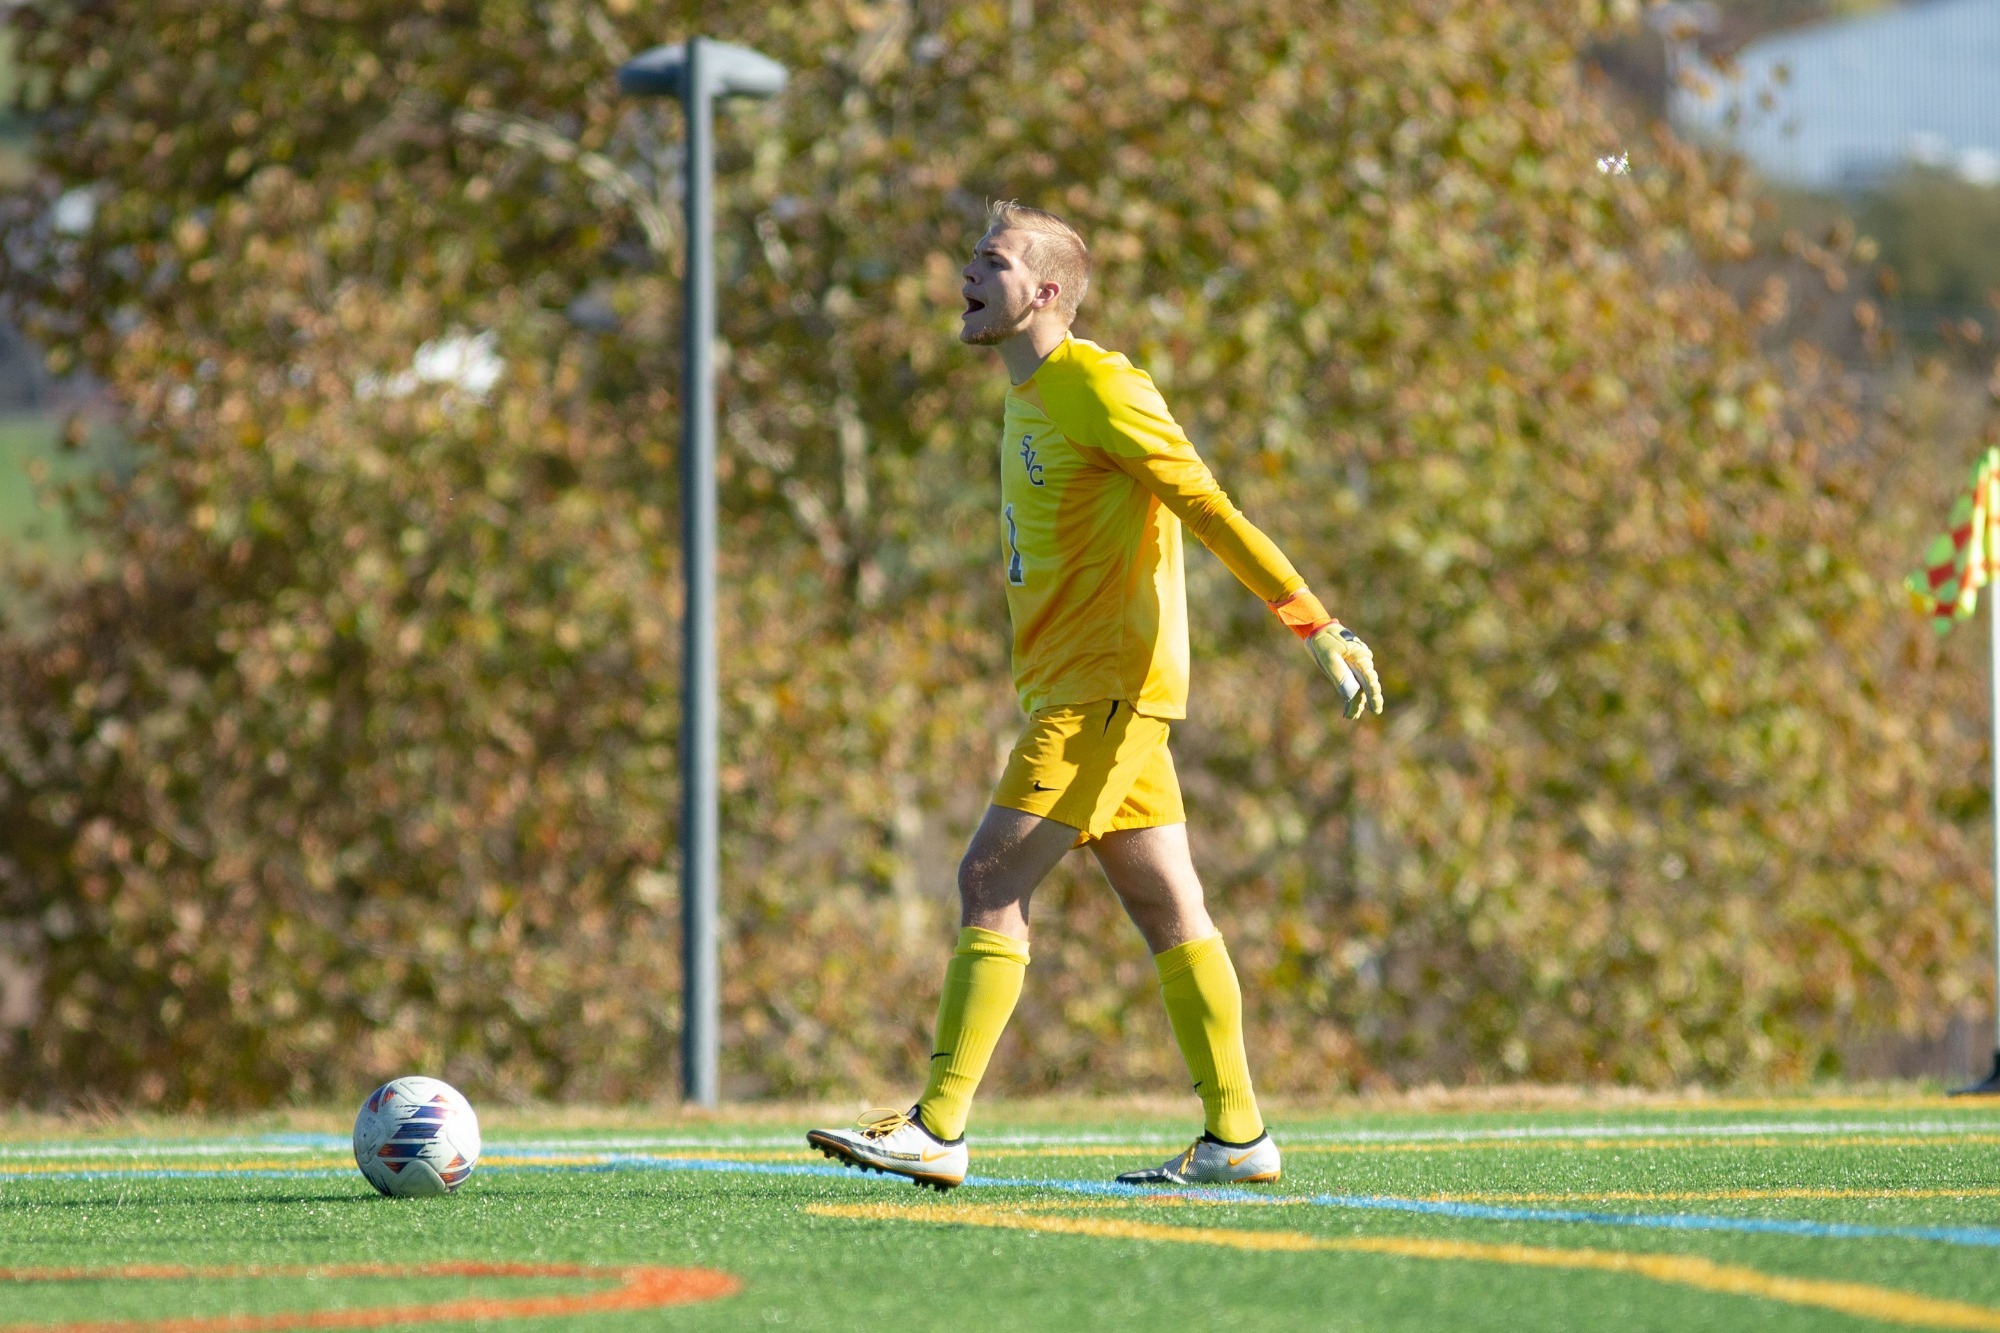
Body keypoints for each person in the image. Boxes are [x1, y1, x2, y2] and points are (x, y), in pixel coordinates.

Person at [807, 201, 1383, 1191]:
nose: (965, 275)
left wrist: (1315, 624)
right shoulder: (1031, 395)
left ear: (1043, 293)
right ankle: (1237, 1136)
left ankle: (937, 1125)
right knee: (1167, 908)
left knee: (987, 882)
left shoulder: (1098, 385)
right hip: (1098, 696)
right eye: (968, 259)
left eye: (988, 261)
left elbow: (1206, 505)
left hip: (1101, 696)